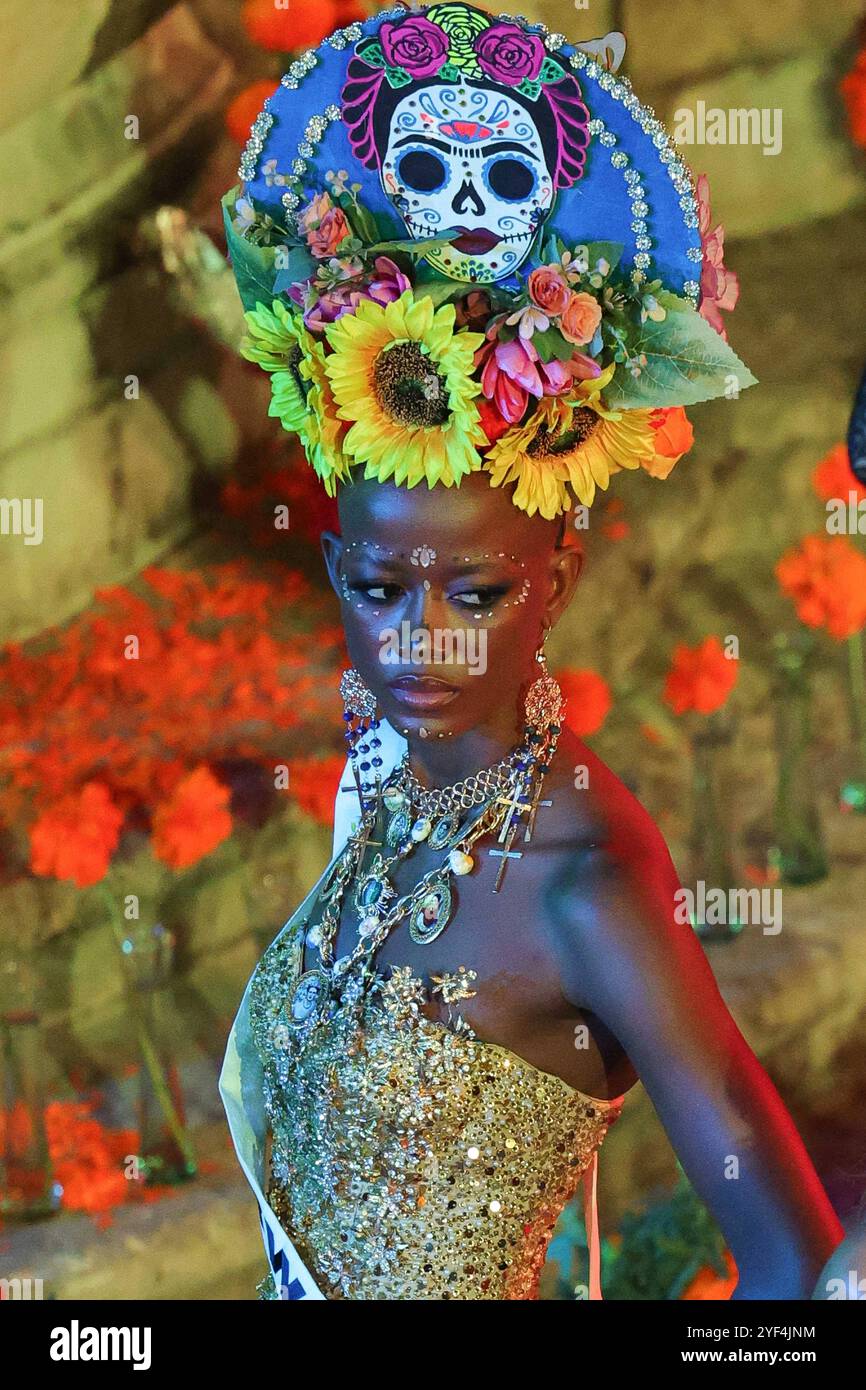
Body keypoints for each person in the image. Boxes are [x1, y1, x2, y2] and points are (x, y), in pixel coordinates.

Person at [219, 4, 843, 1300]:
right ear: (336, 573)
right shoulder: (386, 780)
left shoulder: (585, 880)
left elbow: (791, 1260)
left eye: (480, 588)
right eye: (380, 585)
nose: (421, 636)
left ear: (555, 577)